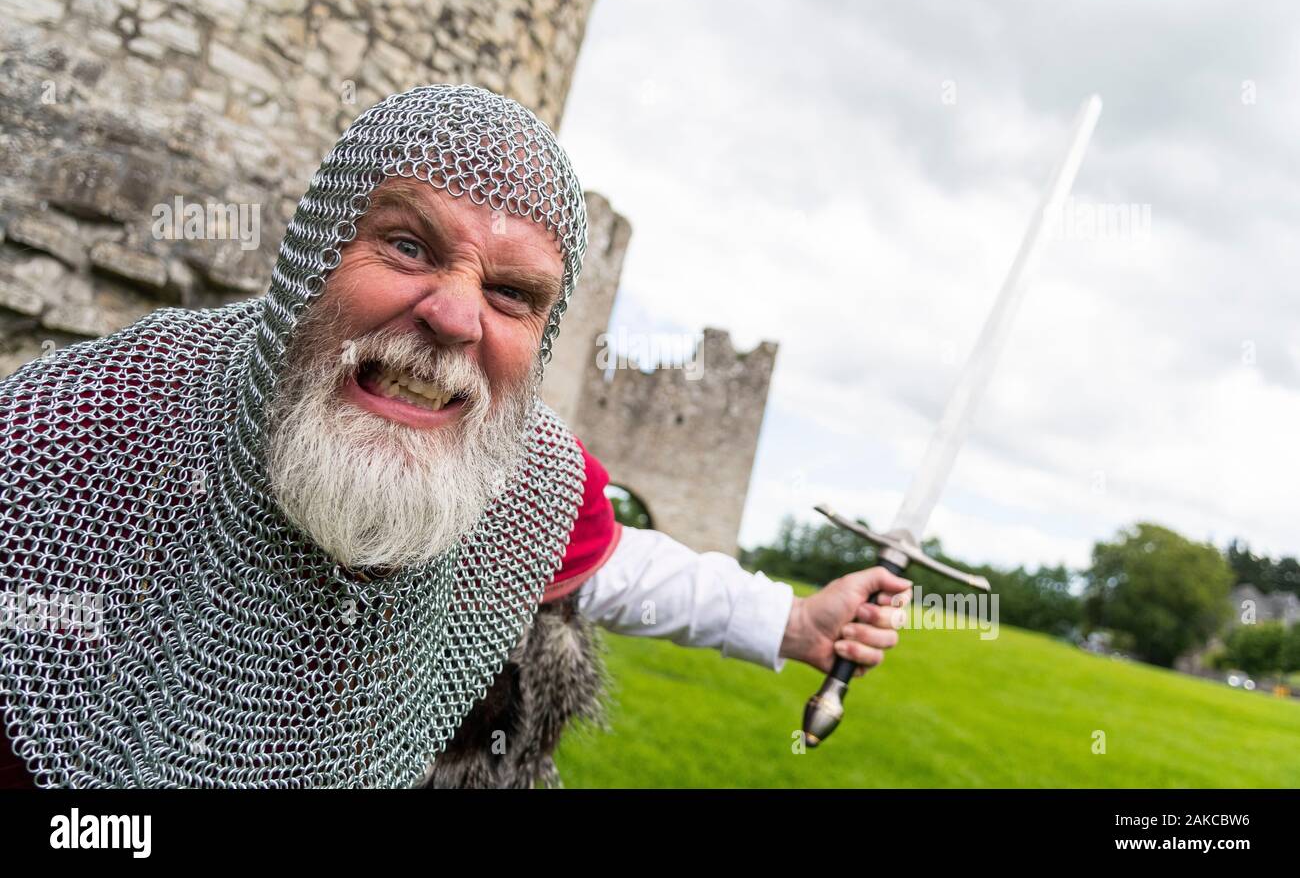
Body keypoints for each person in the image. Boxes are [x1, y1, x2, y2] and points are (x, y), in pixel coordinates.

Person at [0, 84, 911, 788]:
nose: (454, 315)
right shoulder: (83, 426)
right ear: (318, 252)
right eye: (408, 246)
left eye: (511, 294)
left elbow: (612, 563)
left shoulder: (524, 470)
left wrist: (791, 621)